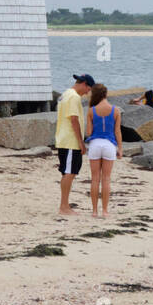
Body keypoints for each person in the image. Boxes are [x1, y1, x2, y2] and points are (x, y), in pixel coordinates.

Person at [54, 74, 93, 215]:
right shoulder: (74, 97)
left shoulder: (65, 94)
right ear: (83, 84)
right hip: (71, 141)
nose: (88, 92)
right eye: (88, 88)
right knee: (69, 173)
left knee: (67, 172)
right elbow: (74, 120)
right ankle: (64, 206)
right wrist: (81, 143)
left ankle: (64, 205)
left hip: (63, 139)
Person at [83, 83, 122, 217]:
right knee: (106, 179)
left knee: (95, 179)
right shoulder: (115, 110)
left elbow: (88, 132)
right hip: (109, 145)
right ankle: (105, 211)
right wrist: (120, 149)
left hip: (95, 145)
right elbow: (117, 132)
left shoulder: (91, 110)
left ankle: (94, 211)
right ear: (106, 94)